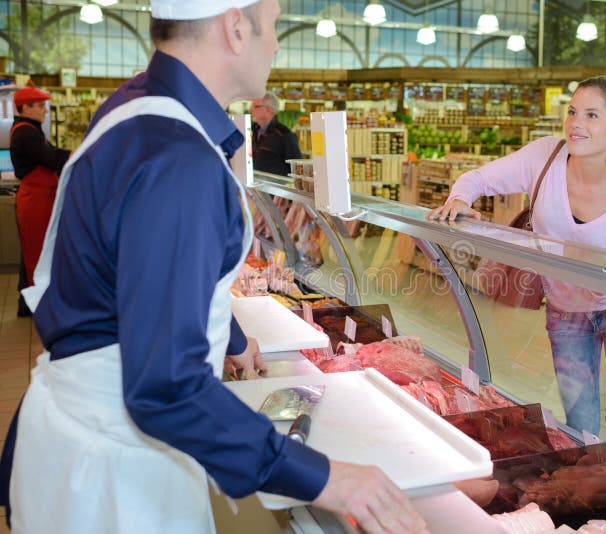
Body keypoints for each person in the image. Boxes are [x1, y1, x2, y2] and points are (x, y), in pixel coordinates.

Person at [0, 2, 426, 533]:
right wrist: (329, 478)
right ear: (236, 27)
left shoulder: (138, 107)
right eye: (272, 27)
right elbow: (165, 387)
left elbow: (135, 271)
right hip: (113, 477)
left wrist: (228, 333)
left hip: (82, 438)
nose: (276, 45)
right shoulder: (178, 157)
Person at [428, 76, 606, 441]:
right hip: (566, 311)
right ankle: (591, 491)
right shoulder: (545, 156)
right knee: (580, 418)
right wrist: (459, 199)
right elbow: (477, 179)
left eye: (592, 116)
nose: (575, 124)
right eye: (572, 112)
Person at [9, 84, 70, 316]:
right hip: (35, 199)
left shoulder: (31, 130)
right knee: (37, 251)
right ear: (25, 108)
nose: (45, 110)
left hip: (38, 196)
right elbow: (50, 158)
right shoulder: (26, 132)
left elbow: (52, 153)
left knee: (31, 250)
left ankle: (26, 303)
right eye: (40, 106)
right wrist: (74, 155)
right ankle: (38, 304)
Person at [250, 90, 302, 175]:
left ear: (268, 110)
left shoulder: (284, 135)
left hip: (277, 186)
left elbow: (297, 168)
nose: (250, 110)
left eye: (255, 106)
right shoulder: (252, 130)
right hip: (257, 185)